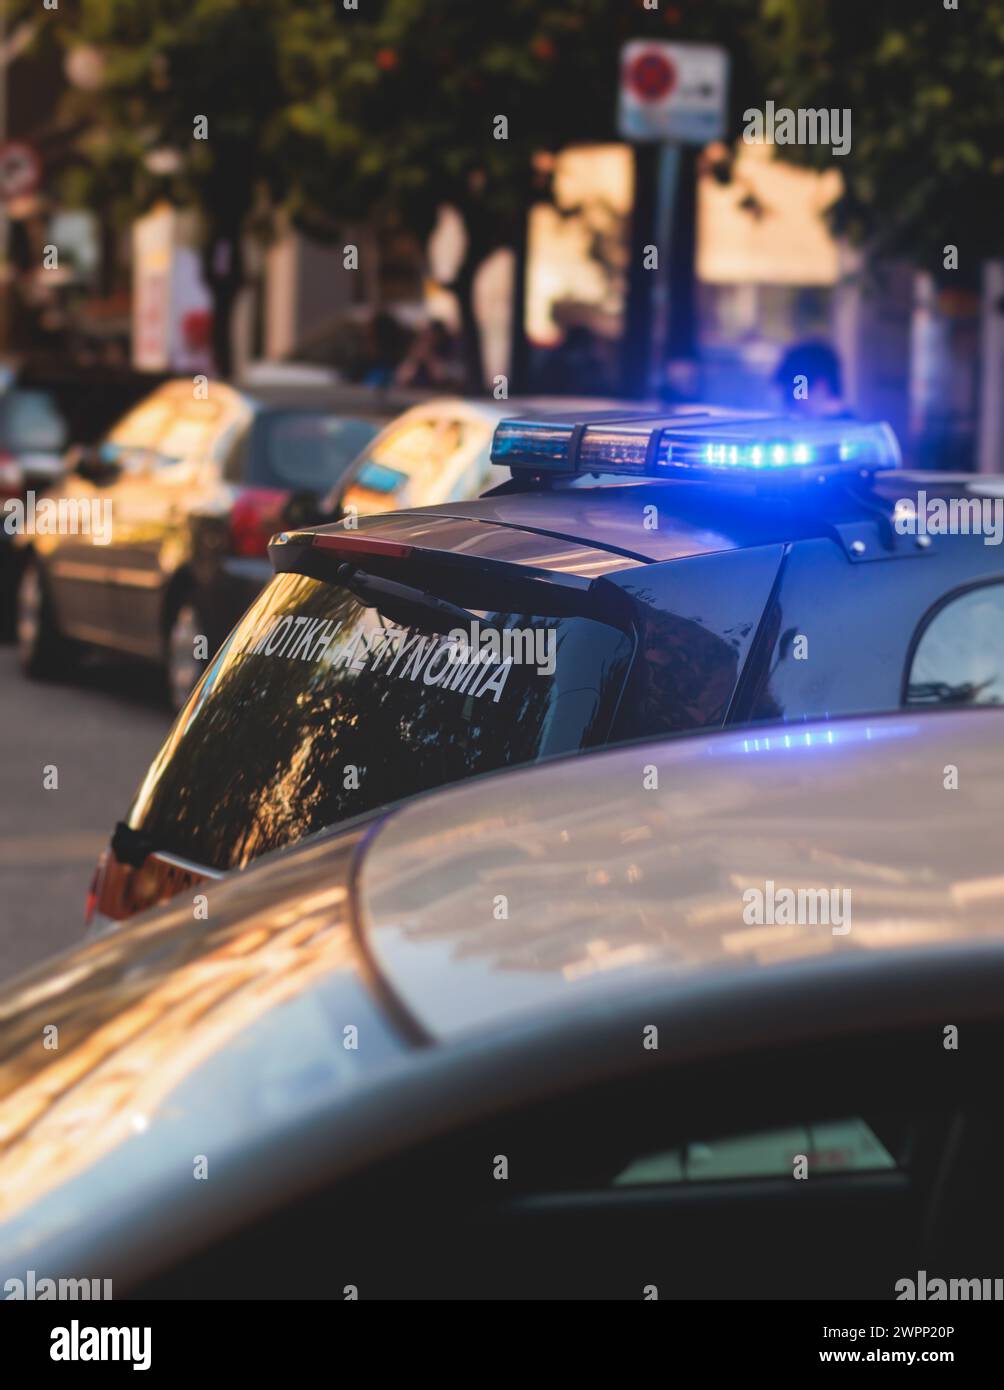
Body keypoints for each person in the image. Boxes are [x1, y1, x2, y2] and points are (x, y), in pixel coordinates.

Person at [774, 340, 855, 420]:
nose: (789, 403)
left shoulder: (832, 429)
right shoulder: (852, 427)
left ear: (820, 385)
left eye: (793, 392)